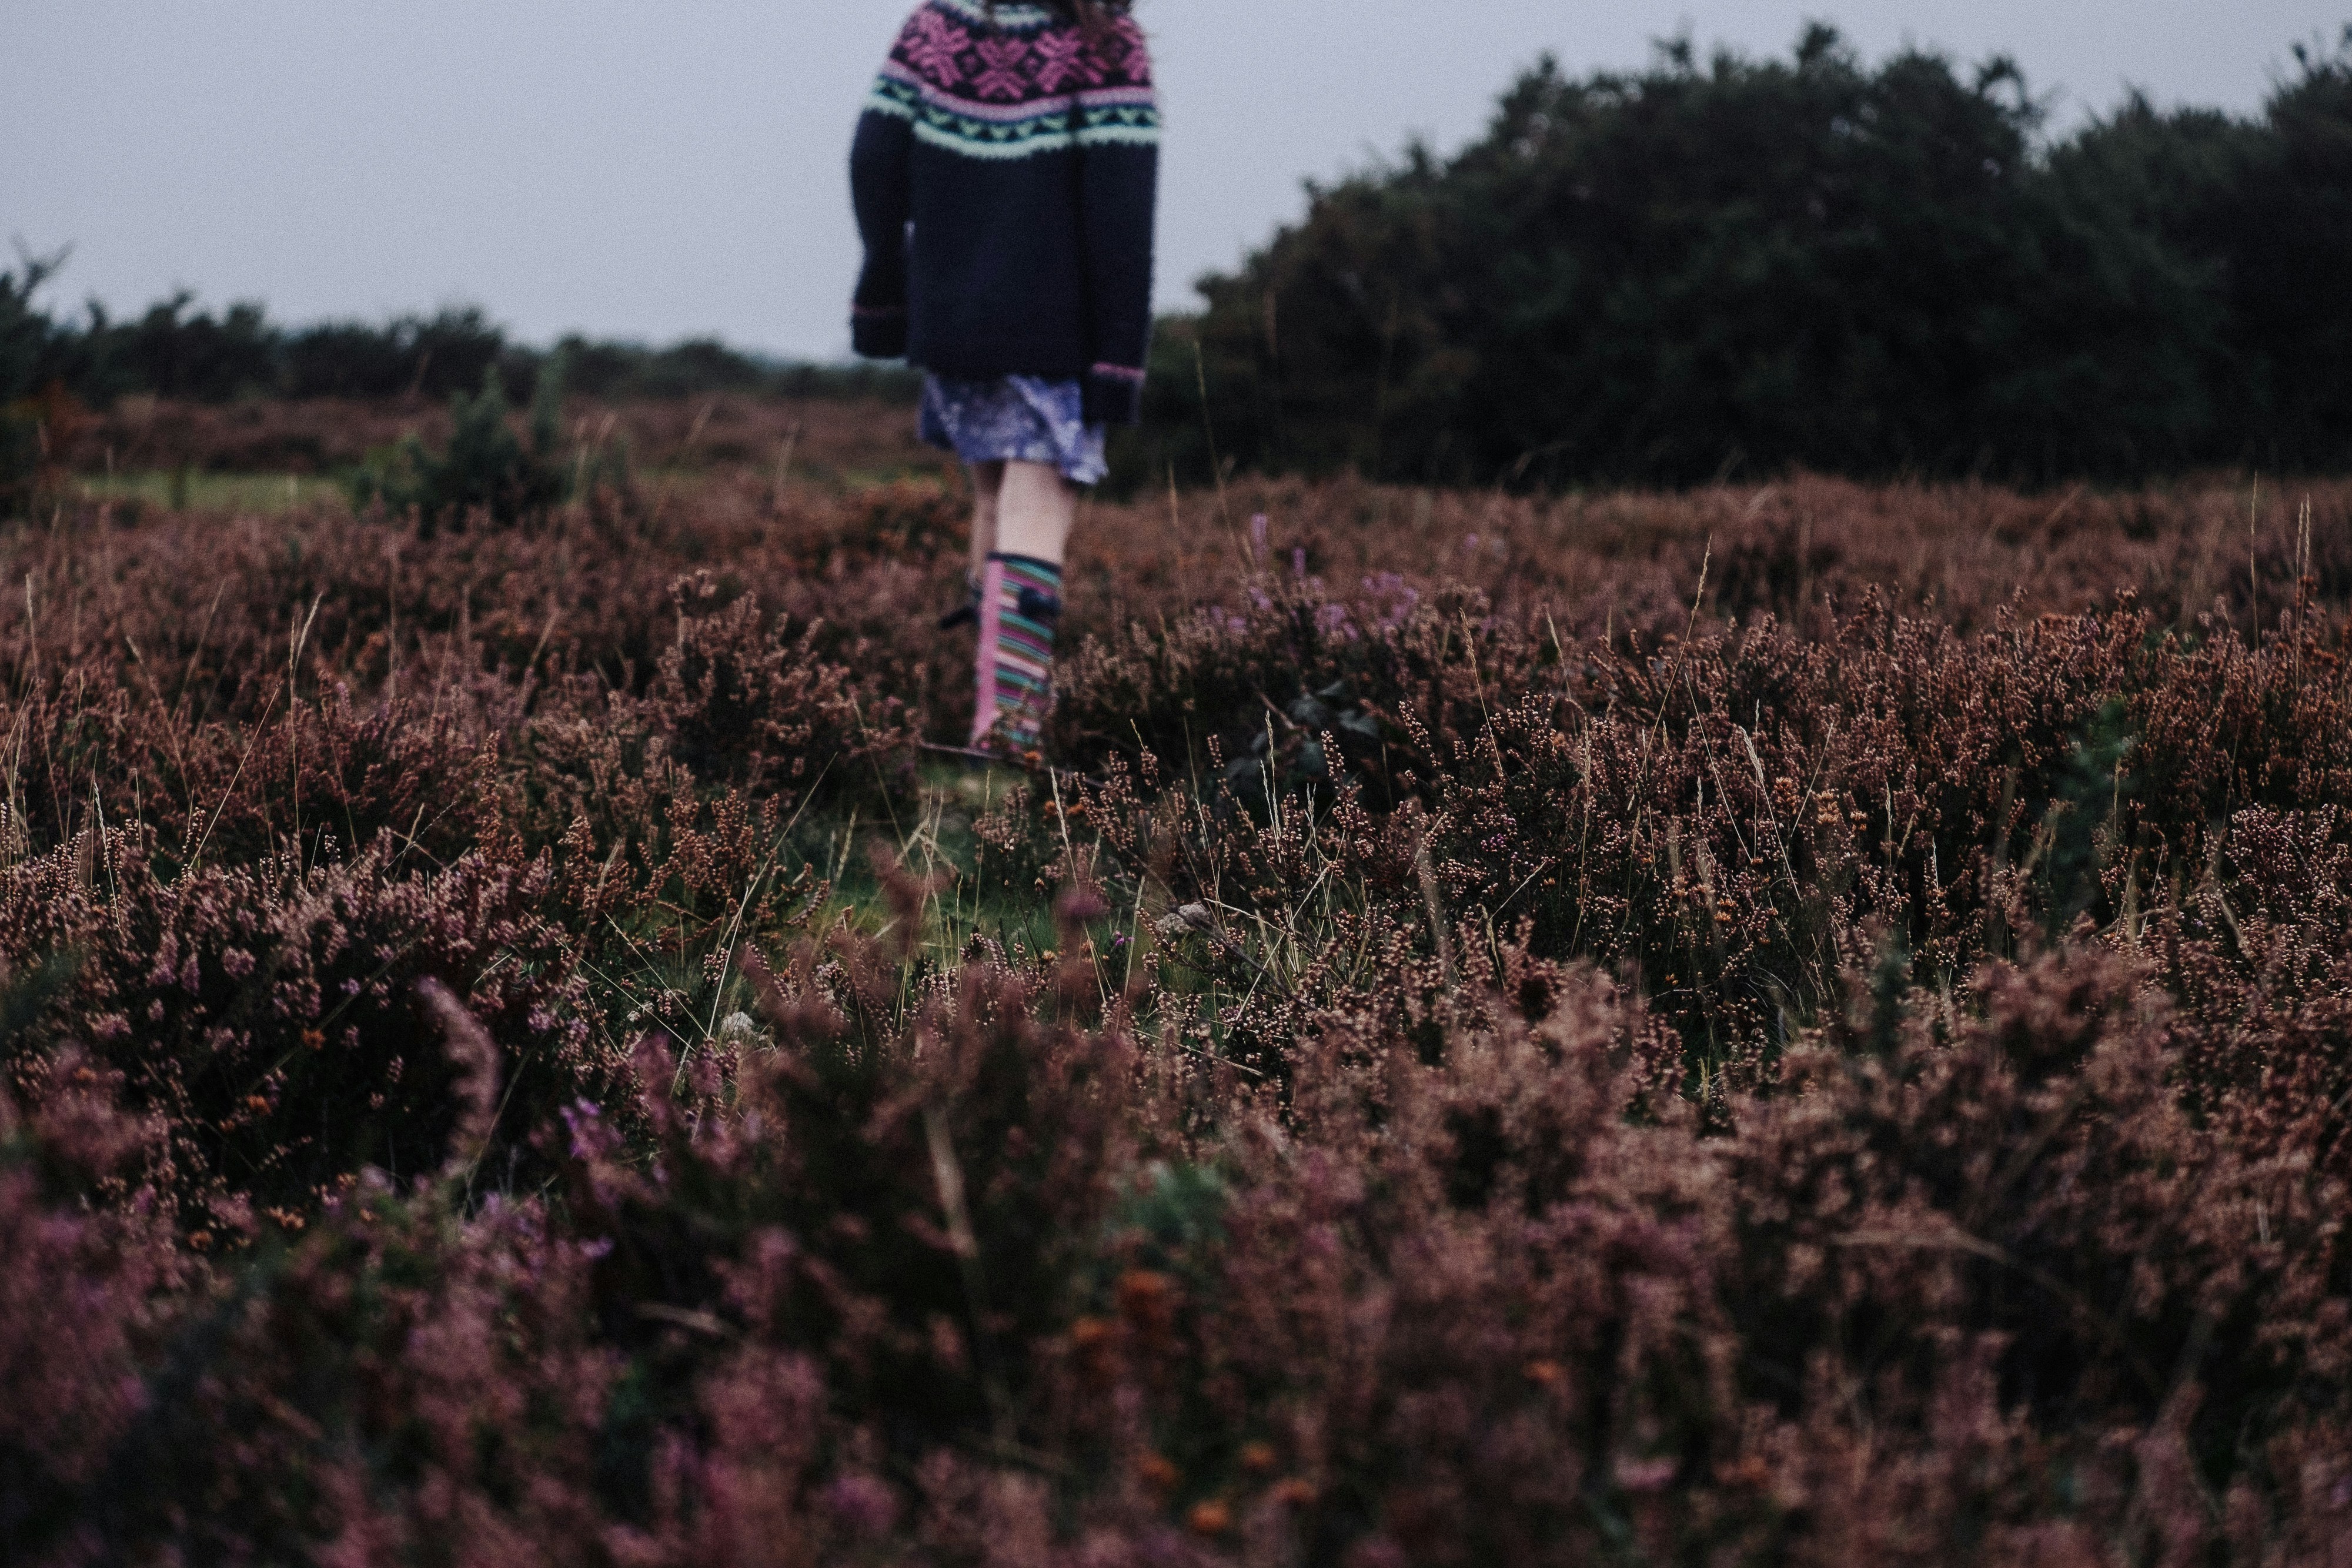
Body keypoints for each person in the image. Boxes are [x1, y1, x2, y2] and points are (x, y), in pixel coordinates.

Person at [848, 0, 1159, 758]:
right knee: (1035, 509)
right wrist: (1120, 360)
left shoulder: (936, 29)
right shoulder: (1102, 42)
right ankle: (1009, 737)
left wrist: (887, 284)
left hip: (952, 320)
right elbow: (1122, 214)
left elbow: (874, 158)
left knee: (993, 498)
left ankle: (987, 721)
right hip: (1056, 328)